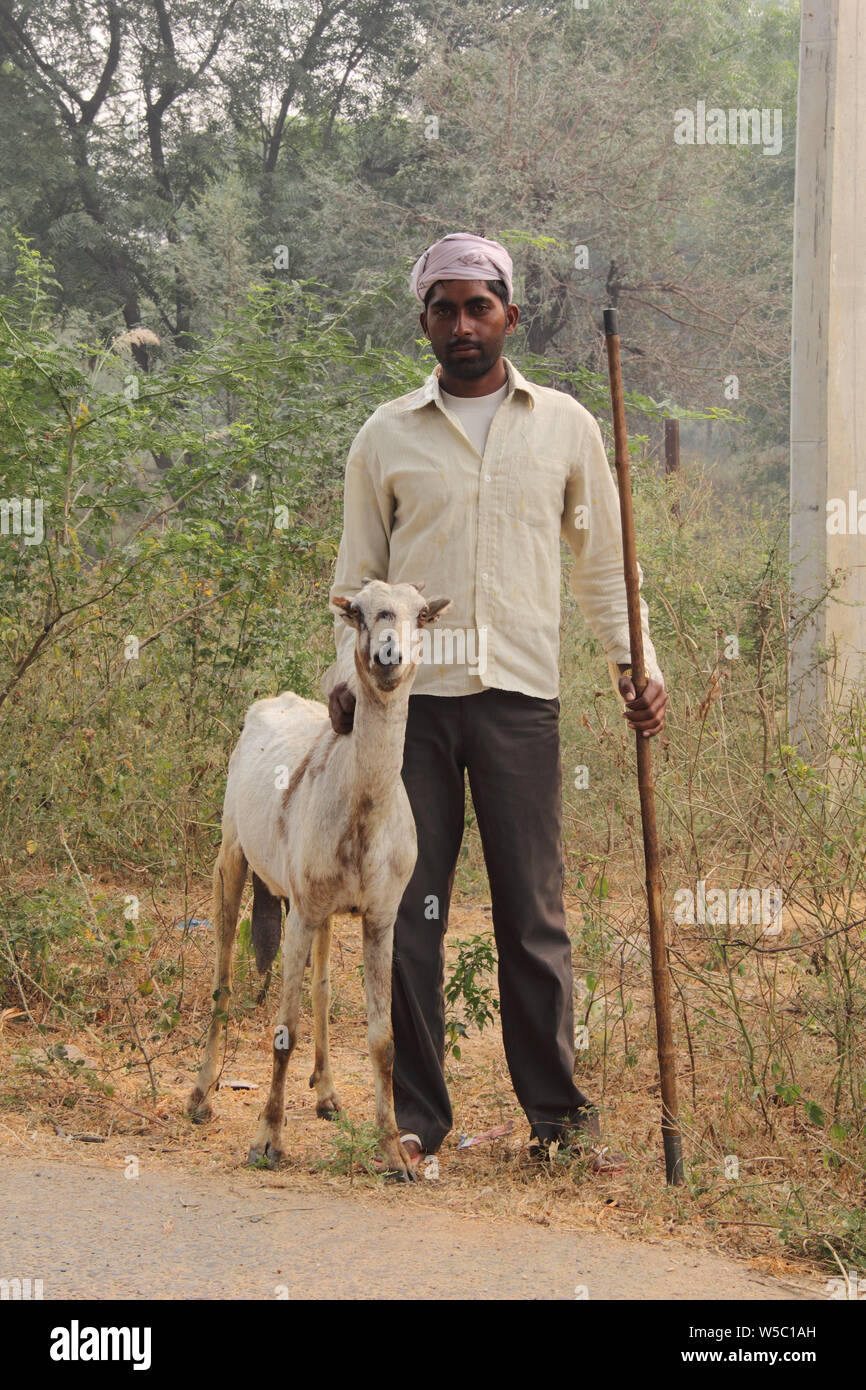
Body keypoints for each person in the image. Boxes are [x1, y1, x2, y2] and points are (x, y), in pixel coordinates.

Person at [321, 232, 667, 1172]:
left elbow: (601, 559)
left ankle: (556, 1126)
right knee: (409, 911)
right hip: (410, 711)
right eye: (445, 309)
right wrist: (344, 680)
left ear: (510, 313)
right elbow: (355, 580)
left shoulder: (562, 425)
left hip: (520, 698)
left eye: (480, 306)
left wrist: (635, 659)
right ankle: (416, 1127)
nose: (463, 325)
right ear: (424, 322)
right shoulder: (385, 435)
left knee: (532, 914)